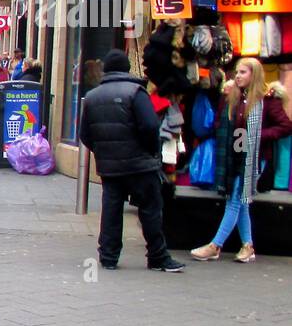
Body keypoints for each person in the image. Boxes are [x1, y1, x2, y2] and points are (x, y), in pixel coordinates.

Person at [79, 50, 185, 273]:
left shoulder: (92, 96)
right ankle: (158, 256)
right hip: (140, 164)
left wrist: (102, 151)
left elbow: (85, 134)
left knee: (111, 210)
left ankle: (108, 256)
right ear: (127, 68)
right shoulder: (137, 92)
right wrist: (151, 152)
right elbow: (149, 126)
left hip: (110, 166)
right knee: (150, 210)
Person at [191, 58, 292, 263]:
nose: (237, 76)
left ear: (253, 75)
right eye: (237, 72)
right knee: (242, 202)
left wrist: (259, 135)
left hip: (255, 158)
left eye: (243, 72)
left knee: (235, 199)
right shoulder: (233, 97)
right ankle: (248, 247)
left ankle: (215, 245)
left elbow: (286, 126)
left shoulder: (267, 100)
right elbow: (221, 121)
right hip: (235, 153)